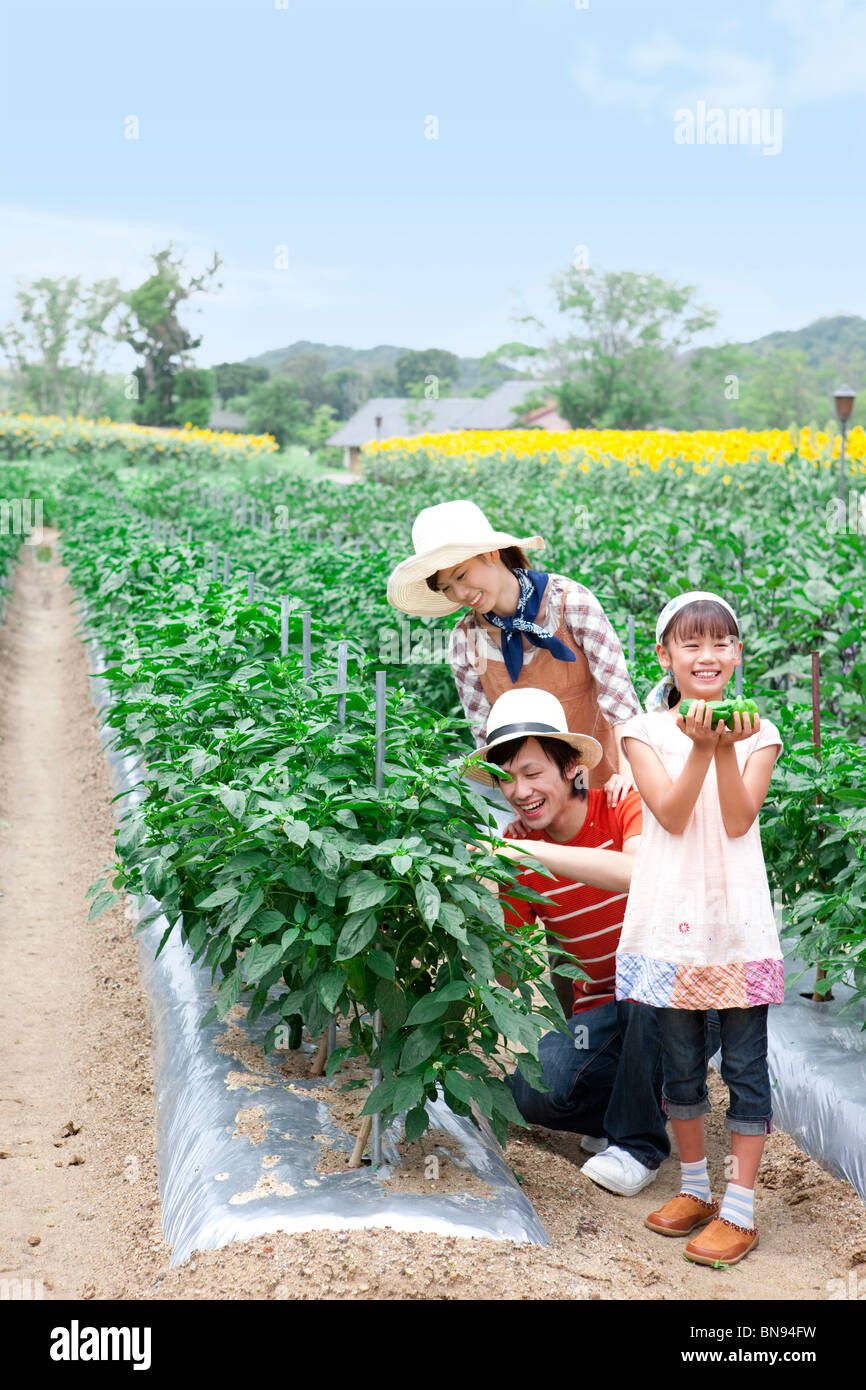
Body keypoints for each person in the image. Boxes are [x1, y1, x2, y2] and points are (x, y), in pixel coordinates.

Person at [614, 591, 784, 1267]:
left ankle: (738, 1209)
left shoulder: (760, 730)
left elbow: (738, 819)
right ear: (665, 656)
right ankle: (693, 1189)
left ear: (737, 653)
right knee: (680, 1065)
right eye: (691, 644)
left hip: (735, 924)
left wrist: (719, 748)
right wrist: (699, 744)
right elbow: (672, 813)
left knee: (745, 1067)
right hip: (670, 927)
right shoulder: (640, 730)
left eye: (720, 643)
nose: (707, 656)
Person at [463, 687, 670, 1197]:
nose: (518, 791)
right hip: (601, 1016)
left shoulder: (623, 804)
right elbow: (507, 975)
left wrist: (531, 851)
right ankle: (633, 1100)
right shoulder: (517, 855)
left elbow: (637, 874)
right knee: (533, 1091)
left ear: (572, 766)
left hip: (676, 1000)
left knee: (649, 985)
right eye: (506, 778)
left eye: (532, 773)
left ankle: (638, 1143)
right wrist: (476, 898)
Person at [386, 499, 640, 805]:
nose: (460, 595)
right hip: (531, 800)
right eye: (446, 588)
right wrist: (519, 807)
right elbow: (486, 734)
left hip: (607, 782)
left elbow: (618, 697)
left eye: (462, 576)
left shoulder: (569, 602)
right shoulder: (466, 640)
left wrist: (629, 774)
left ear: (491, 554)